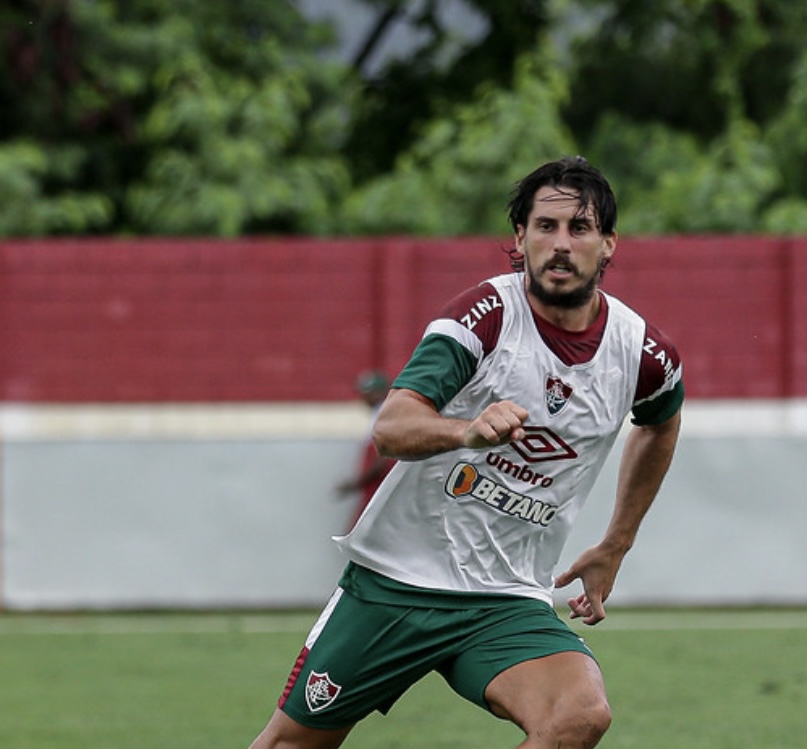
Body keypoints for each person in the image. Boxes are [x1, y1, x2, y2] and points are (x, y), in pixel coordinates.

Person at [247, 156, 683, 749]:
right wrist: (465, 432)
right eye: (545, 227)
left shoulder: (641, 353)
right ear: (519, 238)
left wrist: (617, 542)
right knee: (290, 745)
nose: (561, 244)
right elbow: (393, 424)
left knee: (579, 714)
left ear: (608, 244)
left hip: (505, 599)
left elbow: (660, 423)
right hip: (398, 583)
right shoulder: (486, 317)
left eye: (579, 228)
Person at [335, 370, 396, 530]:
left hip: (379, 489)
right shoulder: (379, 413)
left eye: (370, 392)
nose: (365, 397)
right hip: (375, 489)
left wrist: (357, 483)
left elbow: (383, 458)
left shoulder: (386, 414)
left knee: (363, 534)